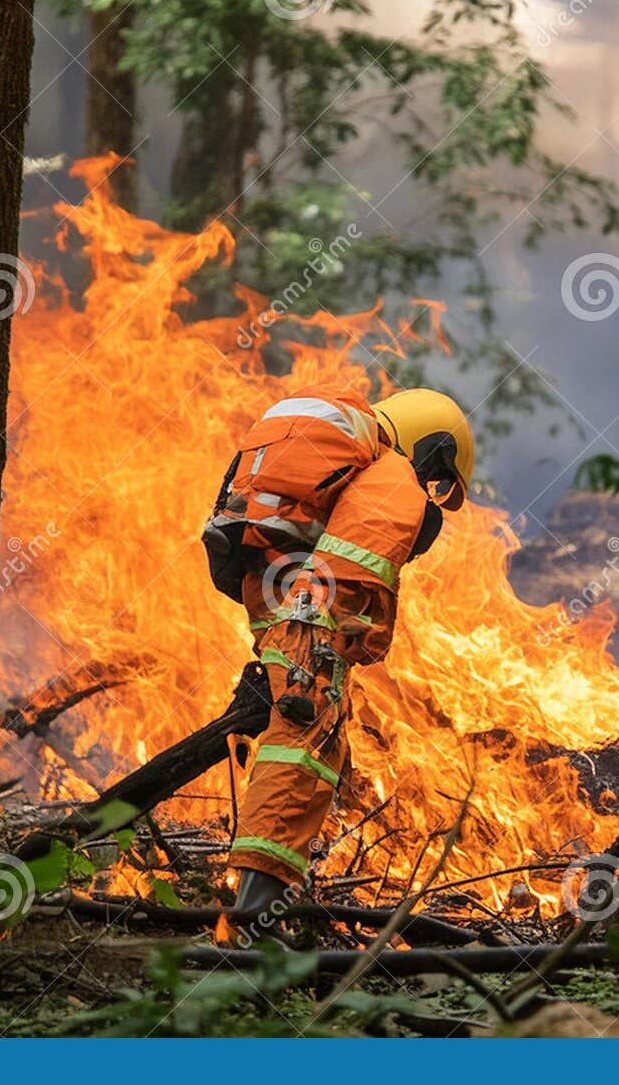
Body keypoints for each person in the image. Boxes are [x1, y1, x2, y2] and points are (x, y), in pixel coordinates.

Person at [202, 388, 475, 914]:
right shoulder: (394, 476)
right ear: (430, 447)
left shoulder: (337, 459)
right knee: (303, 739)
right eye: (438, 480)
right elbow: (353, 563)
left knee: (324, 741)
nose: (432, 495)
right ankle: (254, 914)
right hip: (308, 603)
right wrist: (329, 635)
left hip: (272, 582)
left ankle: (280, 891)